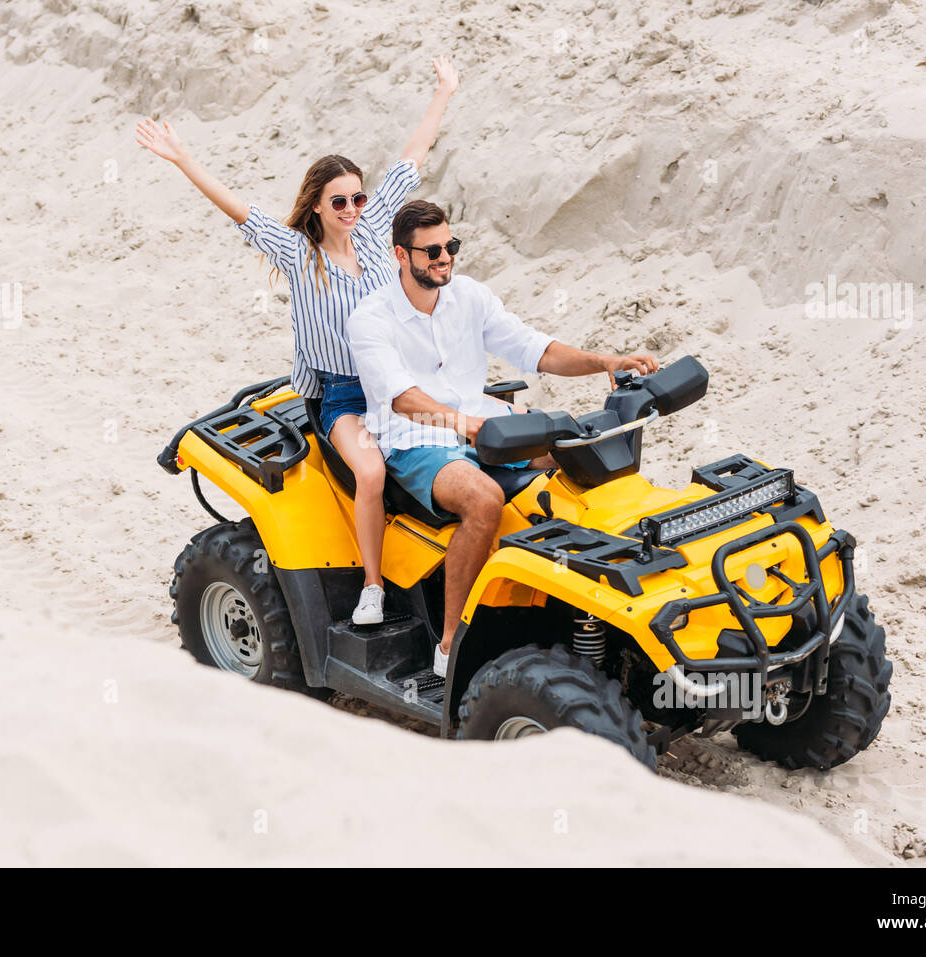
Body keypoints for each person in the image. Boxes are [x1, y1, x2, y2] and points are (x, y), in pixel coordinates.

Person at [135, 58, 460, 626]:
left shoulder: (379, 224)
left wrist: (444, 91)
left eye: (358, 199)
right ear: (317, 206)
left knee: (470, 439)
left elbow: (413, 157)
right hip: (340, 396)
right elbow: (238, 209)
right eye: (340, 202)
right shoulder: (296, 252)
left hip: (400, 380)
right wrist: (183, 158)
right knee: (374, 473)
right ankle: (374, 588)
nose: (353, 210)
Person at [347, 200, 659, 676]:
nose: (444, 257)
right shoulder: (370, 318)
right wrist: (467, 425)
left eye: (450, 246)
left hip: (482, 423)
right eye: (430, 251)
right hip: (415, 440)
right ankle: (450, 646)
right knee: (483, 498)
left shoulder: (470, 296)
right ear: (399, 255)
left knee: (574, 456)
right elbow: (402, 399)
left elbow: (537, 350)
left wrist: (606, 362)